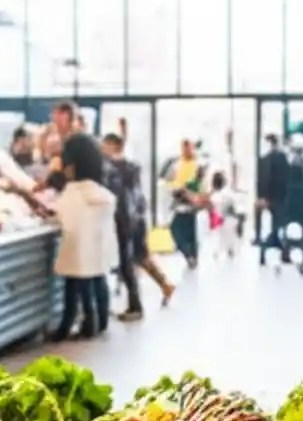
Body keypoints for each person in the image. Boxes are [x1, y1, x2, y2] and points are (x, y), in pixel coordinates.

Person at [102, 131, 174, 321]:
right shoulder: (132, 166)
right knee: (141, 256)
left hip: (124, 218)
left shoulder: (113, 168)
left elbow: (116, 193)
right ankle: (165, 284)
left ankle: (136, 306)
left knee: (127, 263)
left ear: (112, 146)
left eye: (105, 145)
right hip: (138, 216)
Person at [51, 133, 117, 341]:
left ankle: (67, 327)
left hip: (77, 249)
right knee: (97, 281)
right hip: (98, 250)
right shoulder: (102, 192)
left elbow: (61, 214)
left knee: (74, 287)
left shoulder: (73, 191)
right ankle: (100, 322)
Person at [162, 139, 205, 268]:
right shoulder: (176, 164)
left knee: (191, 232)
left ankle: (192, 256)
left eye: (189, 147)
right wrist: (177, 189)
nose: (186, 150)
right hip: (179, 201)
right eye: (184, 147)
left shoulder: (199, 165)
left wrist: (195, 196)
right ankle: (188, 255)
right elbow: (169, 182)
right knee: (176, 230)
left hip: (193, 203)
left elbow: (201, 184)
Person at [257, 133, 292, 265]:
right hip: (280, 197)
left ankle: (266, 251)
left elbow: (262, 180)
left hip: (268, 198)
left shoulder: (264, 159)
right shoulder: (282, 158)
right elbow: (286, 179)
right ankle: (283, 251)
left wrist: (262, 197)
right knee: (279, 225)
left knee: (275, 225)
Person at [208, 170, 240, 259]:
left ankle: (218, 252)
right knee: (230, 235)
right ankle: (230, 250)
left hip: (217, 220)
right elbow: (233, 207)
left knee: (219, 236)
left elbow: (211, 209)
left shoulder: (212, 195)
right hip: (229, 218)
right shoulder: (228, 194)